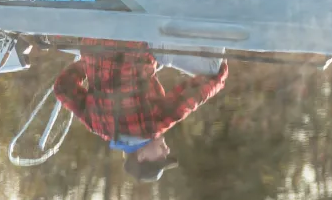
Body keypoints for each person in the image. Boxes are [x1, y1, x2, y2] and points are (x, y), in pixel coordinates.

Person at [51, 39, 228, 181]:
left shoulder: (151, 127)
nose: (166, 151)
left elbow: (192, 96)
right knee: (152, 65)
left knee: (212, 69)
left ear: (141, 156)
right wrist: (88, 62)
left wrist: (220, 79)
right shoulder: (97, 126)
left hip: (139, 38)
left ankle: (217, 14)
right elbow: (62, 88)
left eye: (160, 157)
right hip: (93, 41)